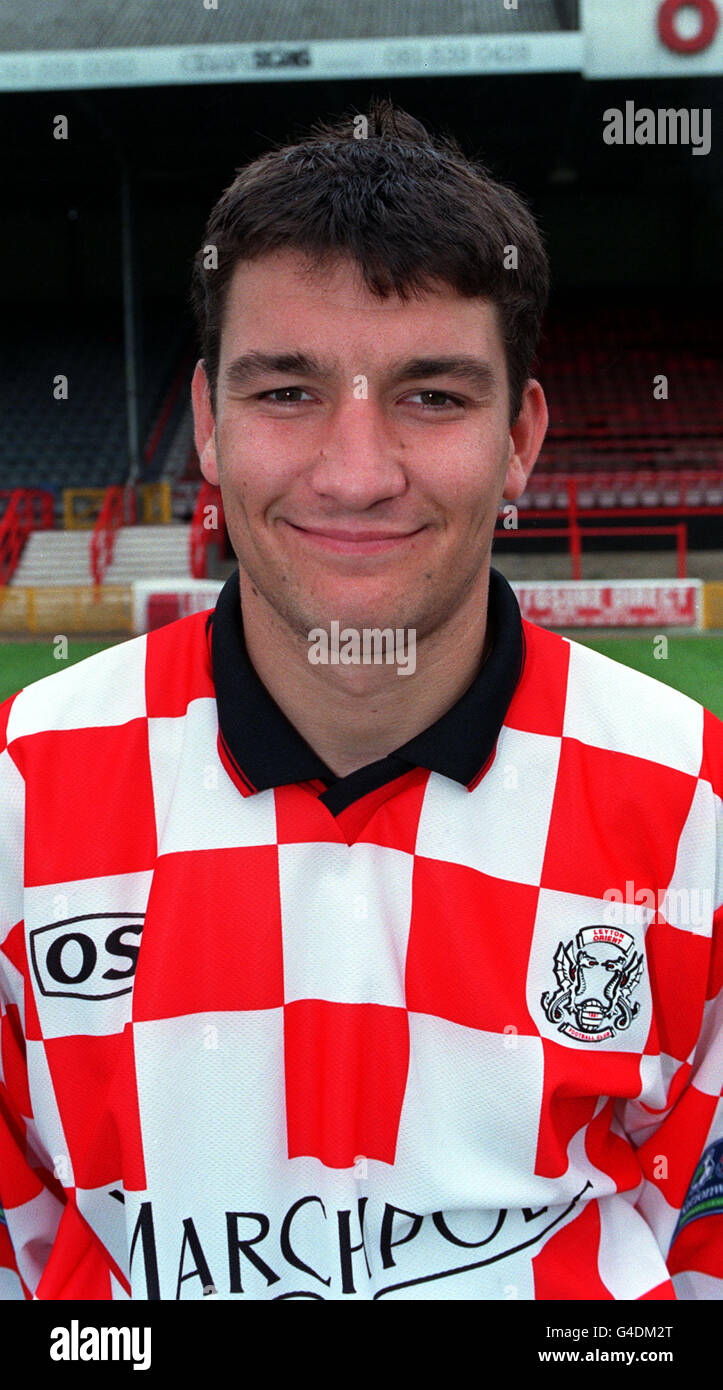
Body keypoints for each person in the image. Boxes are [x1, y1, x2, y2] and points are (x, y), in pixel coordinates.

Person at [0, 98, 720, 1301]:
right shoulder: (24, 788)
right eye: (286, 392)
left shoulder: (692, 798)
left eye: (431, 395)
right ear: (210, 428)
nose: (355, 471)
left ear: (522, 439)